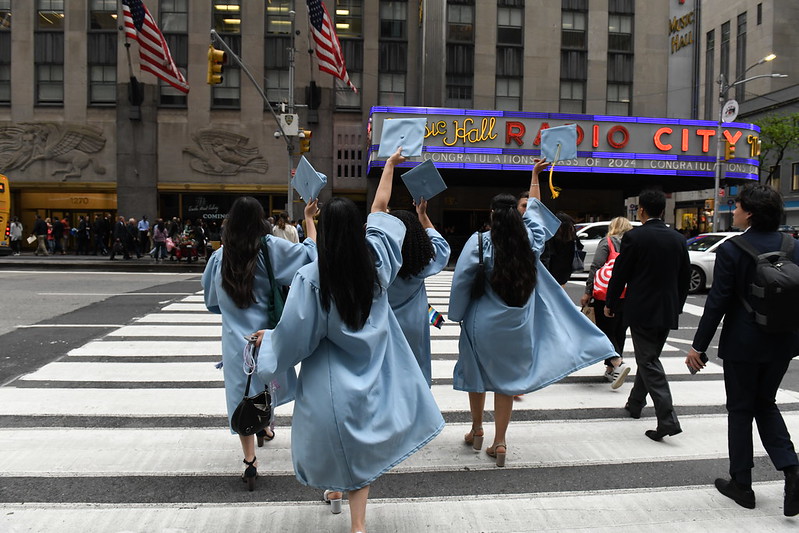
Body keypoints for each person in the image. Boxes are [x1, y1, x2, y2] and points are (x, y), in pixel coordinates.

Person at [253, 148, 444, 533]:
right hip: (372, 373)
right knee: (362, 451)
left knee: (334, 442)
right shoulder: (377, 263)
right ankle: (359, 525)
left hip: (329, 378)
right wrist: (389, 166)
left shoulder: (312, 277)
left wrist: (267, 343)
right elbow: (380, 210)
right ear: (357, 229)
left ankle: (334, 493)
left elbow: (293, 338)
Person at [449, 160, 616, 467]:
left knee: (475, 374)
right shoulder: (530, 242)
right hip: (518, 323)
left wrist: (456, 314)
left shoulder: (479, 242)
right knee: (507, 382)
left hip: (481, 323)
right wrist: (535, 176)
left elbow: (461, 281)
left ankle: (476, 430)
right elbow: (537, 212)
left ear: (491, 216)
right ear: (517, 216)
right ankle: (500, 442)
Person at [685, 184, 799, 516]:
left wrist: (699, 347)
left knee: (740, 409)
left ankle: (742, 484)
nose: (732, 210)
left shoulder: (734, 249)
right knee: (766, 403)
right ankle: (791, 471)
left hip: (743, 345)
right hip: (783, 341)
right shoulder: (793, 246)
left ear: (749, 212)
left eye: (736, 205)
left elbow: (717, 302)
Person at [202, 196, 318, 491]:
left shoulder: (219, 258)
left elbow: (211, 302)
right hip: (266, 337)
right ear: (260, 221)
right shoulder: (270, 249)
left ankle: (250, 461)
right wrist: (308, 220)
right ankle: (265, 426)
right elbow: (309, 258)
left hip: (234, 342)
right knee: (266, 385)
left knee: (242, 396)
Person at [605, 189, 690, 441]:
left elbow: (621, 272)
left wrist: (611, 301)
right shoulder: (678, 238)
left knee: (649, 361)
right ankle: (635, 404)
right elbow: (684, 278)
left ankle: (667, 419)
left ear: (641, 210)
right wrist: (678, 305)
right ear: (662, 210)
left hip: (641, 308)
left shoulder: (634, 237)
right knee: (649, 356)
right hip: (667, 308)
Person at [387, 200, 451, 385]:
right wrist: (422, 215)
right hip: (414, 323)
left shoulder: (382, 263)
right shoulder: (421, 264)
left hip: (385, 323)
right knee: (415, 371)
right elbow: (441, 246)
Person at [580, 216, 634, 389]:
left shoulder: (607, 242)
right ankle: (611, 369)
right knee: (619, 330)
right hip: (627, 295)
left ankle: (617, 362)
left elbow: (596, 267)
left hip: (605, 294)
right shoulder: (633, 244)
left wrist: (588, 291)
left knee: (603, 330)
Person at [541, 211, 582, 288]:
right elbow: (580, 247)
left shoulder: (551, 236)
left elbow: (547, 254)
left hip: (551, 270)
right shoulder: (572, 237)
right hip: (565, 271)